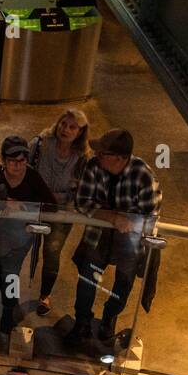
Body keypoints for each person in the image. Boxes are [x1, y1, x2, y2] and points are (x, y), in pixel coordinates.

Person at [63, 128, 162, 348]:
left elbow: (150, 219)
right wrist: (112, 217)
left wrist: (127, 223)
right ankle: (82, 322)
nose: (97, 156)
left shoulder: (144, 177)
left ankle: (109, 318)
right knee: (87, 280)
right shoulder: (93, 166)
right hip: (97, 236)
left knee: (123, 284)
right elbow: (82, 202)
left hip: (130, 242)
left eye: (103, 153)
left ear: (121, 159)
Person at [0, 136, 56, 338]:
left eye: (22, 160)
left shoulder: (32, 177)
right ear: (3, 160)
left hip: (18, 239)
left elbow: (51, 205)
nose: (18, 166)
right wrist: (1, 200)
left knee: (10, 276)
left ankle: (8, 311)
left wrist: (23, 207)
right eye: (12, 161)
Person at [28, 109, 90, 316]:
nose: (66, 129)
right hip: (34, 205)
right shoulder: (40, 144)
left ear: (80, 132)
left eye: (72, 127)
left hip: (63, 212)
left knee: (52, 251)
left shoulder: (82, 158)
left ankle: (45, 295)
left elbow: (83, 190)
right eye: (63, 124)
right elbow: (23, 168)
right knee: (18, 244)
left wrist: (63, 200)